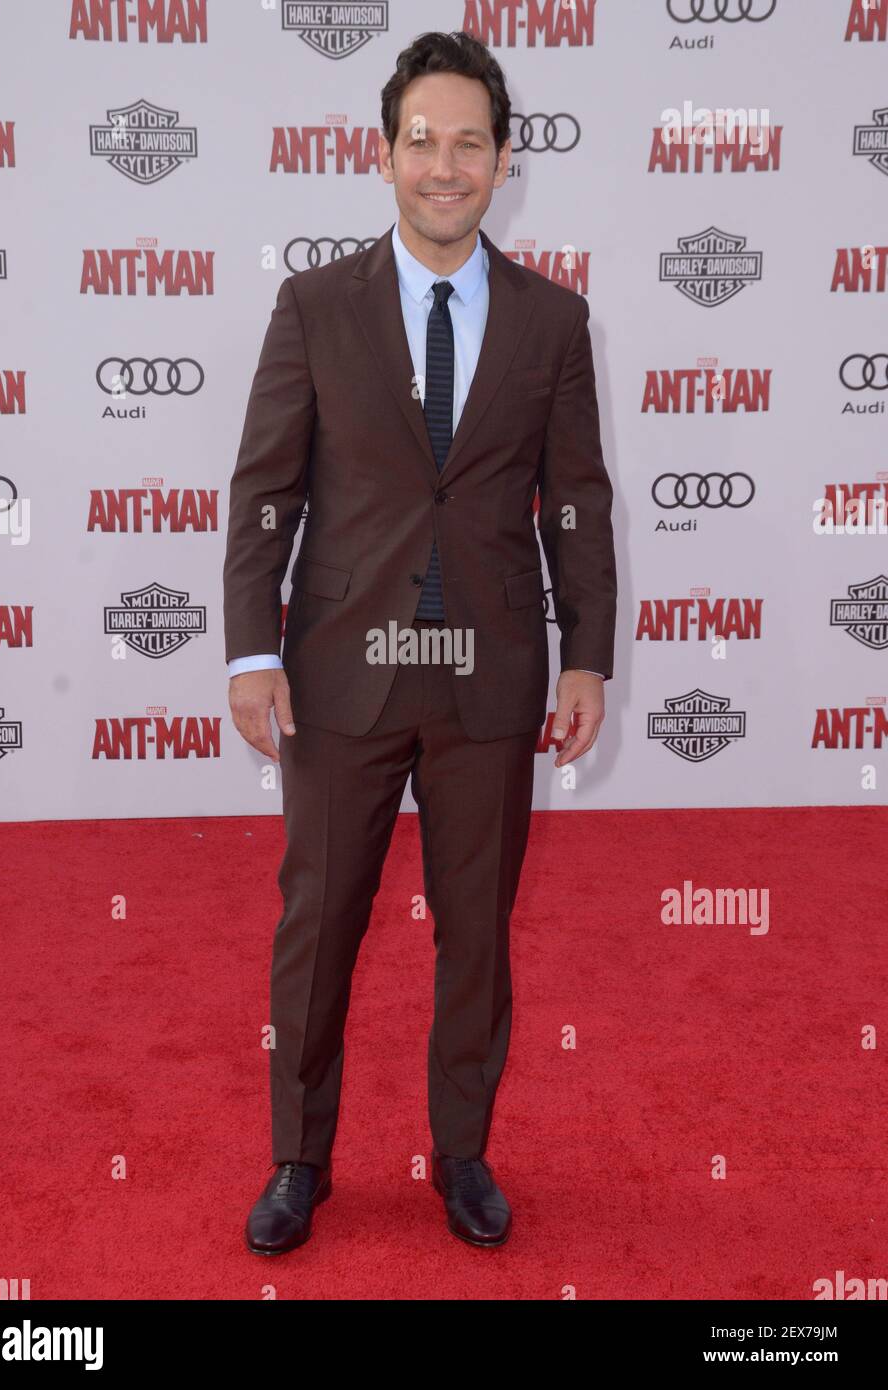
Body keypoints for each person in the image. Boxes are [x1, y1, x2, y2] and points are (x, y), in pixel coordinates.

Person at [223, 29, 617, 1254]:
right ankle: (300, 1158)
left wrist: (589, 653)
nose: (445, 166)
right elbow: (266, 490)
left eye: (470, 144)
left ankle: (461, 1153)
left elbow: (576, 498)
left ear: (505, 162)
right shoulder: (315, 306)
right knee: (318, 924)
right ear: (385, 154)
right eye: (422, 141)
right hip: (344, 665)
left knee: (477, 936)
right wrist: (251, 649)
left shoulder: (555, 321)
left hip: (491, 676)